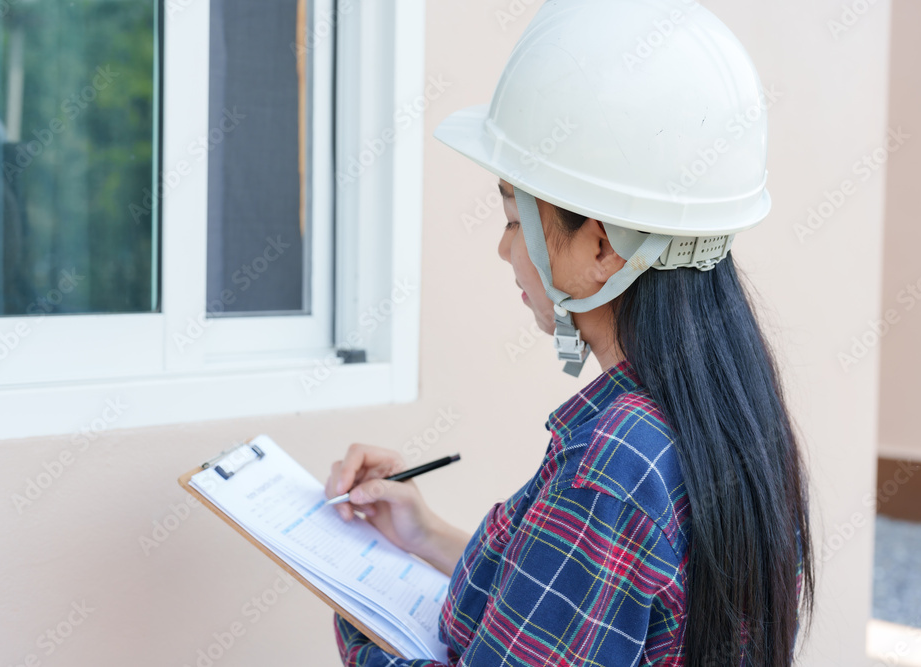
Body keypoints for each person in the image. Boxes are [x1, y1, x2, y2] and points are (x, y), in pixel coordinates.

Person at [326, 0, 815, 665]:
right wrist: (424, 533)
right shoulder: (733, 415)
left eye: (514, 218)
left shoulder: (613, 463)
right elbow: (586, 605)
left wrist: (353, 612)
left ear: (603, 249)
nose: (505, 249)